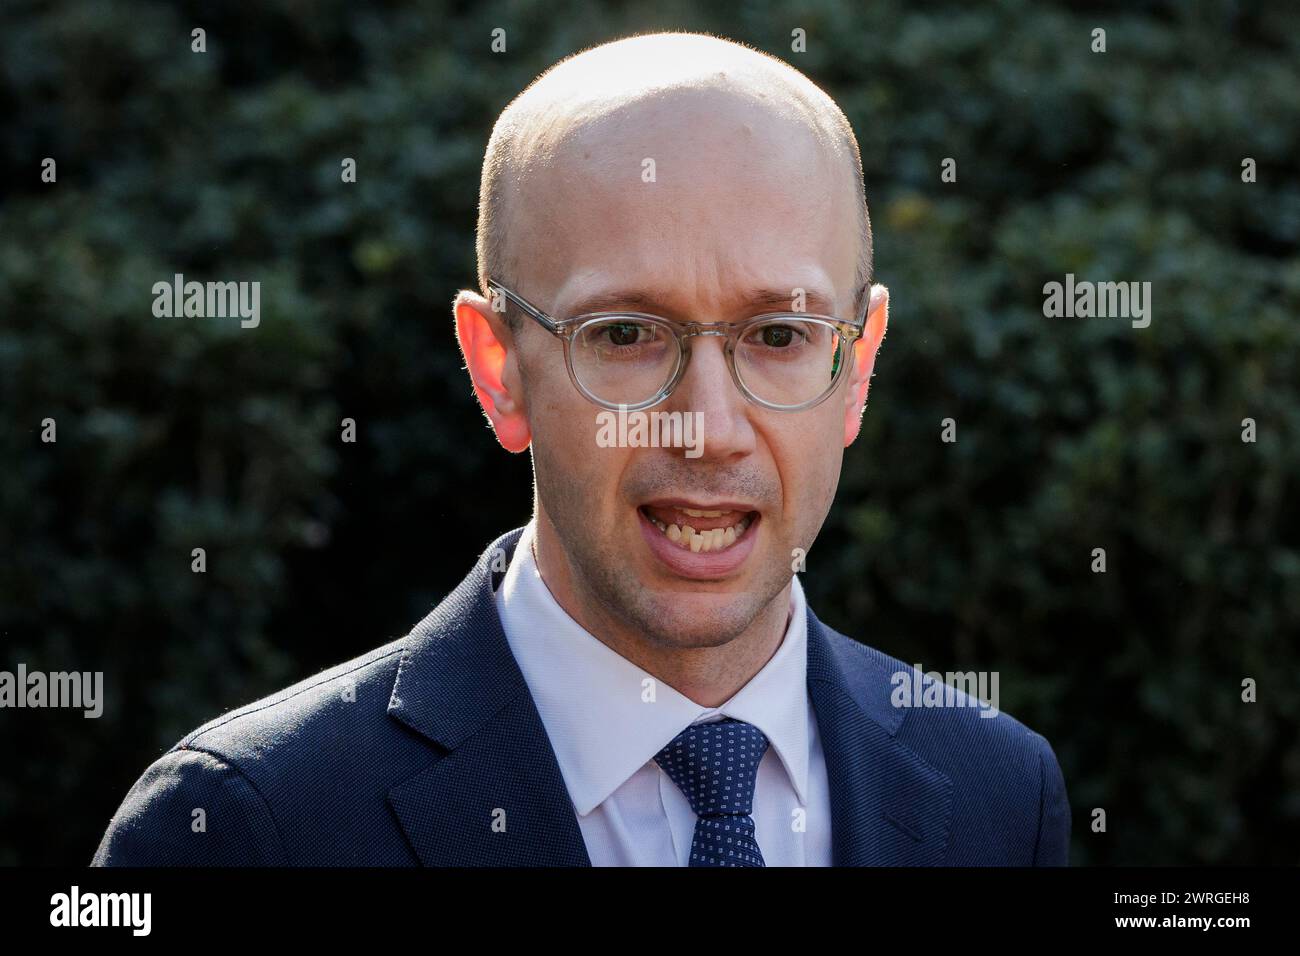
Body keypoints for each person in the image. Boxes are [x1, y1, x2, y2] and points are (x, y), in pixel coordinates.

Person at [93, 31, 1069, 867]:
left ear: (857, 366)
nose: (710, 426)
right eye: (625, 335)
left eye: (777, 336)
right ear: (497, 369)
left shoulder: (1000, 793)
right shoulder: (246, 827)